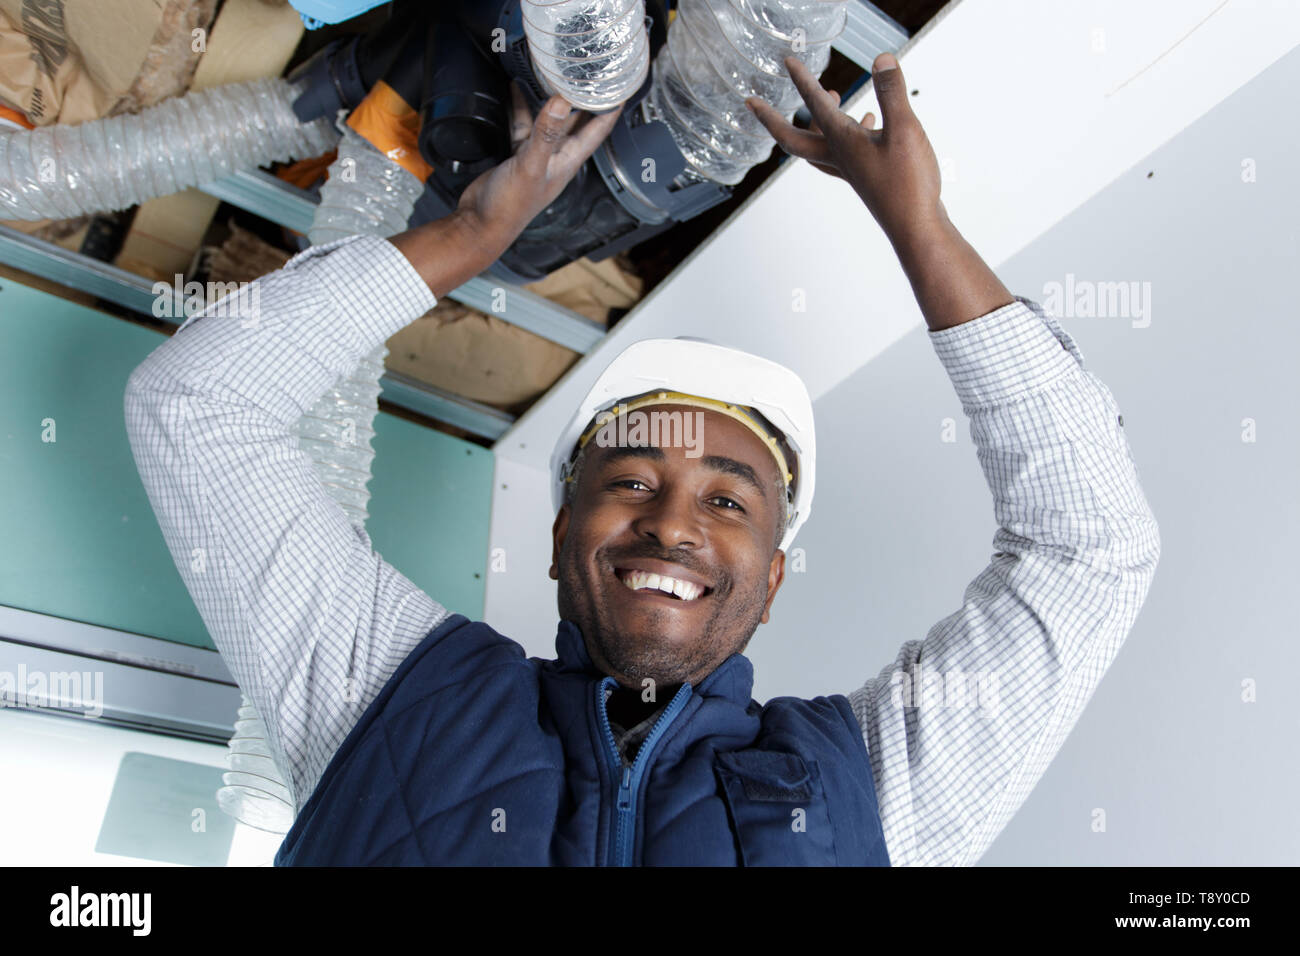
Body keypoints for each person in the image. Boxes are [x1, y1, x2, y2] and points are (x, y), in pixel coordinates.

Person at [125, 52, 1160, 865]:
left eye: (727, 498)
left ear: (773, 576)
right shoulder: (388, 695)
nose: (671, 521)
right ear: (556, 536)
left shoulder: (867, 791)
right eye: (629, 481)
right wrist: (469, 238)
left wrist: (921, 230)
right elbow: (196, 408)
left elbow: (1092, 549)